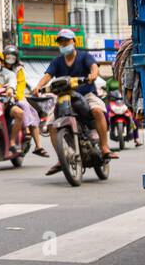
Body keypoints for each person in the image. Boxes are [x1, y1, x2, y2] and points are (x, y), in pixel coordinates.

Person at [34, 29, 116, 171]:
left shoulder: (84, 56)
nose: (64, 44)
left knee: (97, 110)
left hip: (86, 95)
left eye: (66, 41)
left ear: (74, 42)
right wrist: (38, 86)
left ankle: (104, 146)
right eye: (61, 42)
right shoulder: (57, 61)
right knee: (52, 125)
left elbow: (94, 67)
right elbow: (48, 75)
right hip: (63, 98)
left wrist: (93, 75)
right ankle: (61, 158)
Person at [3, 44, 47, 157]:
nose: (10, 59)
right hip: (1, 97)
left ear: (16, 58)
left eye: (12, 57)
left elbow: (21, 83)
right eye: (8, 57)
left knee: (28, 109)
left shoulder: (19, 69)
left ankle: (37, 143)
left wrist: (17, 95)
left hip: (16, 95)